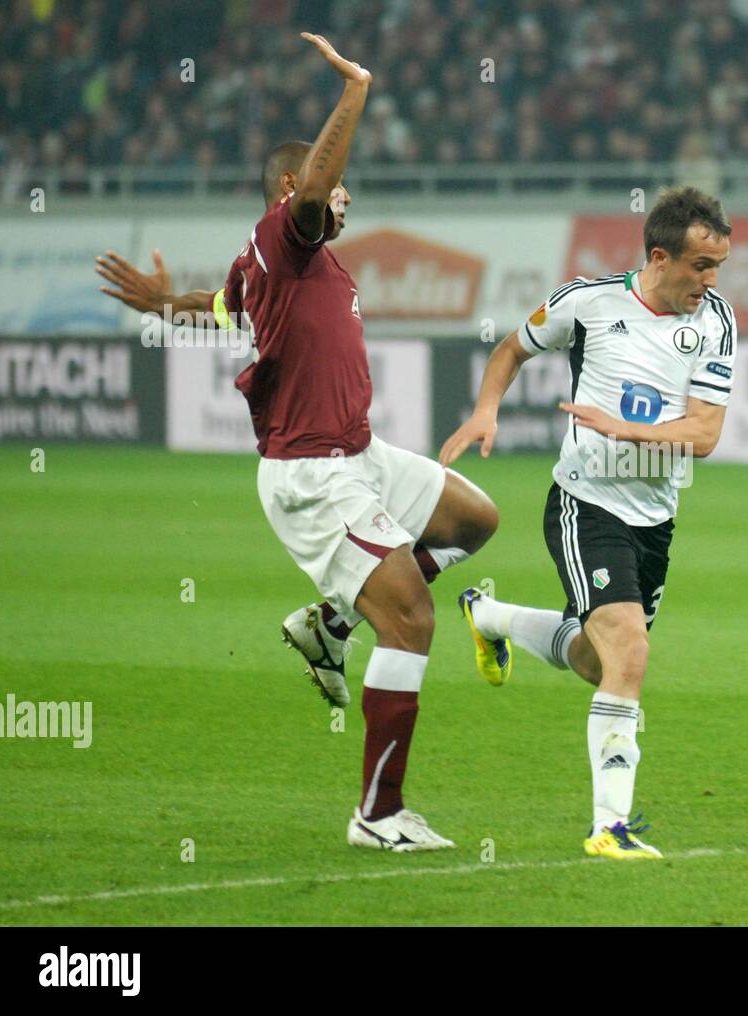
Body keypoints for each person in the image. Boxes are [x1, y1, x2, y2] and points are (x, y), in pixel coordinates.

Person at [96, 33, 499, 852]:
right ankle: (377, 816)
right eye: (336, 186)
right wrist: (356, 89)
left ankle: (332, 626)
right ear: (295, 189)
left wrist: (161, 304)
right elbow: (314, 188)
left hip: (360, 454)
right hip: (314, 476)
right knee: (412, 621)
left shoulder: (271, 266)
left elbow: (218, 309)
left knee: (475, 519)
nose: (344, 198)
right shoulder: (289, 232)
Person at [440, 186, 736, 860]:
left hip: (655, 518)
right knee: (629, 652)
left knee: (595, 660)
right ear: (659, 258)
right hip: (586, 503)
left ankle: (490, 616)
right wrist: (486, 409)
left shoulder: (716, 320)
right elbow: (511, 349)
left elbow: (705, 434)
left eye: (719, 266)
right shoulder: (587, 303)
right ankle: (610, 828)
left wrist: (628, 429)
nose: (712, 281)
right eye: (701, 266)